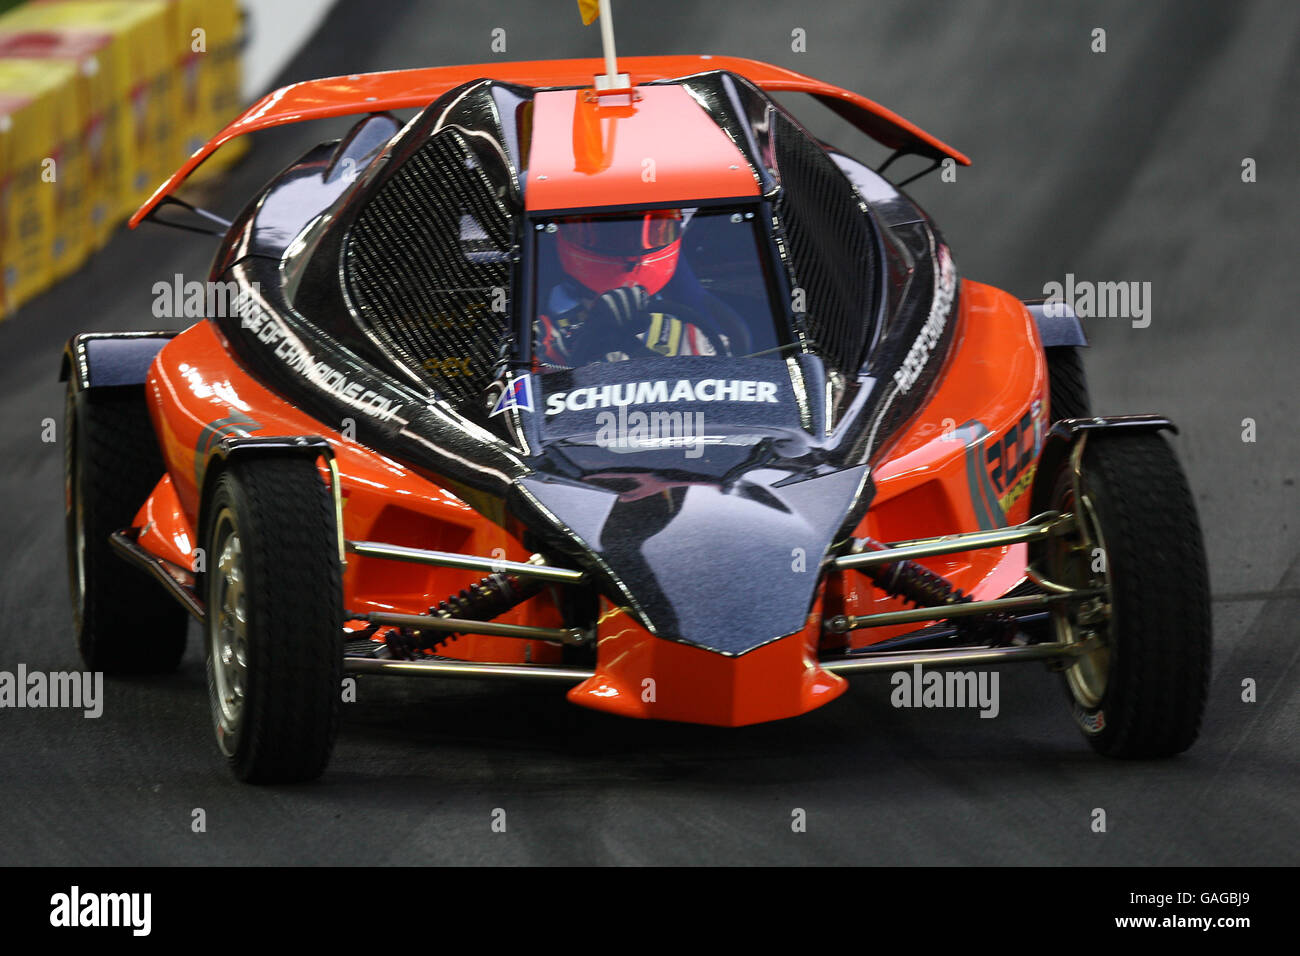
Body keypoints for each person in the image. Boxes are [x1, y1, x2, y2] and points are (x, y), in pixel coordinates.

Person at [534, 209, 726, 367]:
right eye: (613, 234)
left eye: (655, 230)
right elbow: (531, 400)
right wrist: (582, 346)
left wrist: (634, 348)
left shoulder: (694, 337)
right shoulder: (536, 335)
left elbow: (722, 401)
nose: (632, 248)